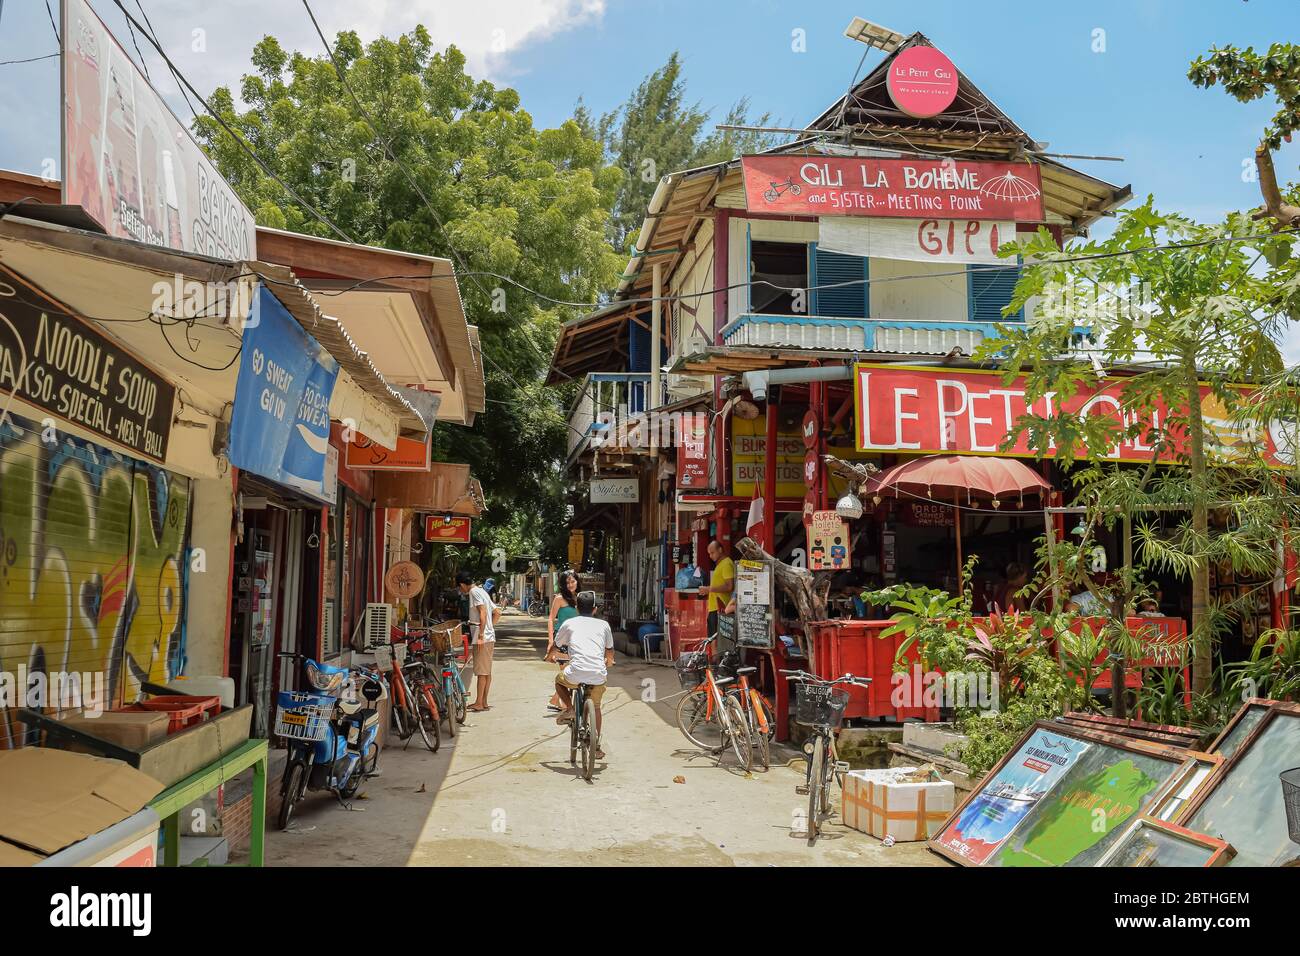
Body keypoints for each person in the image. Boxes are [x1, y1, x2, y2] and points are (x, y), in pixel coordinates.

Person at [552, 591, 615, 761]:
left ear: (577, 608)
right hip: (597, 673)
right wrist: (609, 661)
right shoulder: (604, 625)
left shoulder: (569, 623)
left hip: (576, 672)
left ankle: (570, 709)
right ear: (595, 609)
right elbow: (609, 651)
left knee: (559, 681)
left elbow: (556, 645)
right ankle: (597, 745)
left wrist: (549, 655)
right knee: (595, 707)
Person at [458, 571, 497, 712]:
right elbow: (497, 612)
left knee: (482, 672)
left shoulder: (474, 592)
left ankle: (479, 703)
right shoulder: (483, 591)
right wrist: (490, 628)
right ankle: (483, 702)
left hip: (482, 638)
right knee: (486, 672)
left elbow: (483, 612)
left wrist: (481, 635)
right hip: (488, 637)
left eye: (459, 587)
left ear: (462, 584)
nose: (460, 590)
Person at [544, 570, 580, 712]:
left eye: (572, 581)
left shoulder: (581, 597)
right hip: (562, 639)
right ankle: (567, 709)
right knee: (566, 673)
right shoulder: (559, 598)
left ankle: (555, 700)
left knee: (575, 673)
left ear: (577, 581)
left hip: (578, 640)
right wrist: (550, 641)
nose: (570, 585)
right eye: (567, 582)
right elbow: (551, 619)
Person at [699, 539, 735, 638]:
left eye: (712, 553)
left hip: (721, 608)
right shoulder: (720, 565)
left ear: (720, 550)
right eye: (709, 554)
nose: (711, 556)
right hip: (714, 608)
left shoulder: (726, 563)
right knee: (712, 640)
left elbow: (729, 586)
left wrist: (709, 589)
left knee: (716, 640)